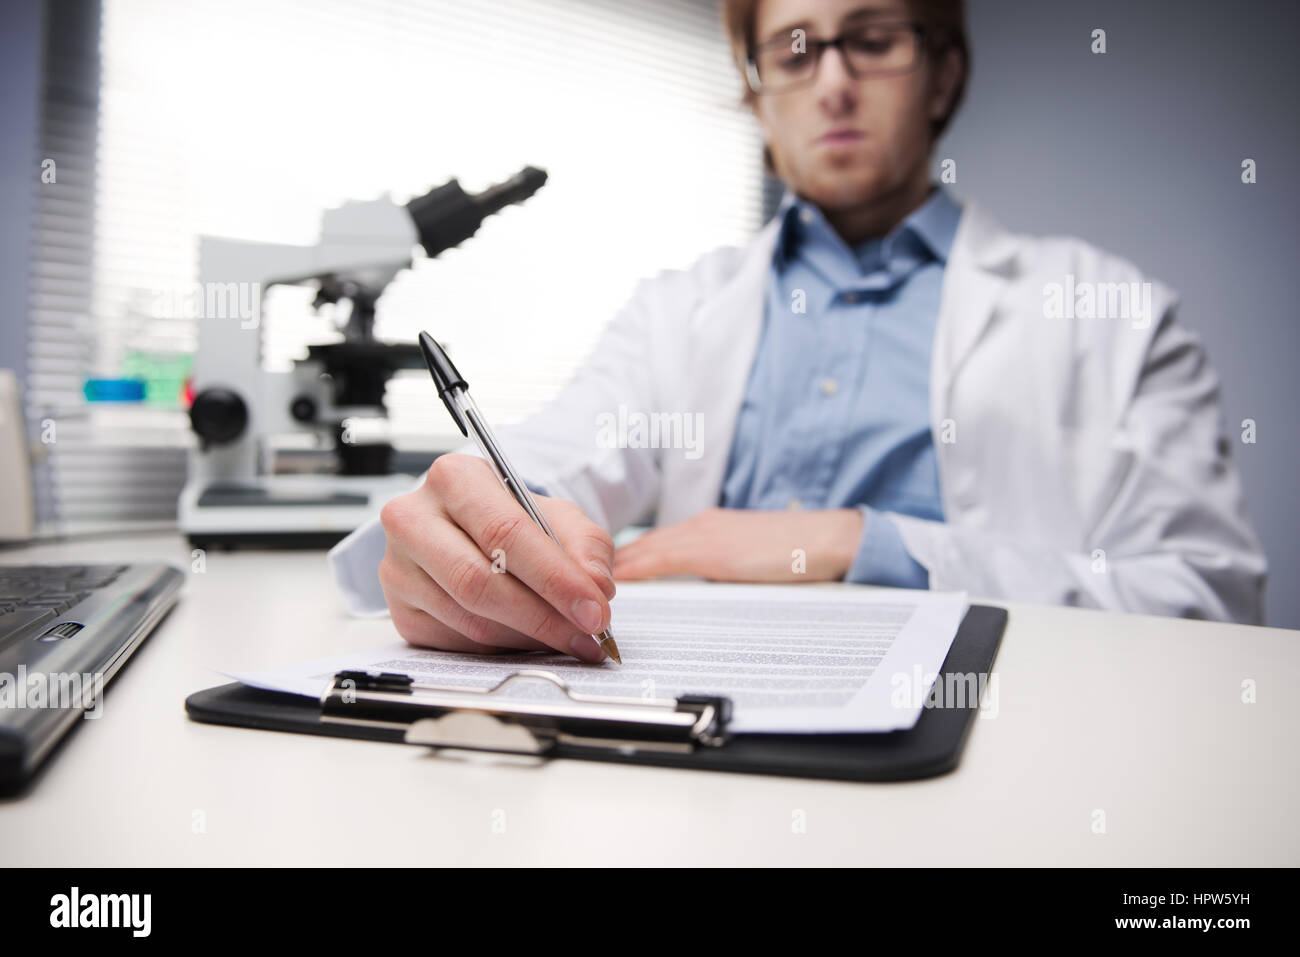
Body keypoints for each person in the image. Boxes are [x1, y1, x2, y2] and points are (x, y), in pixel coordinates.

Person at [329, 0, 1267, 662]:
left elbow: (1207, 595)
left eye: (872, 40)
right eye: (795, 48)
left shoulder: (1113, 314)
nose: (834, 84)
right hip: (697, 730)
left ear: (943, 73)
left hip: (1008, 742)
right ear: (758, 94)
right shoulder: (677, 310)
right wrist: (484, 526)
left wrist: (862, 543)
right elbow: (562, 458)